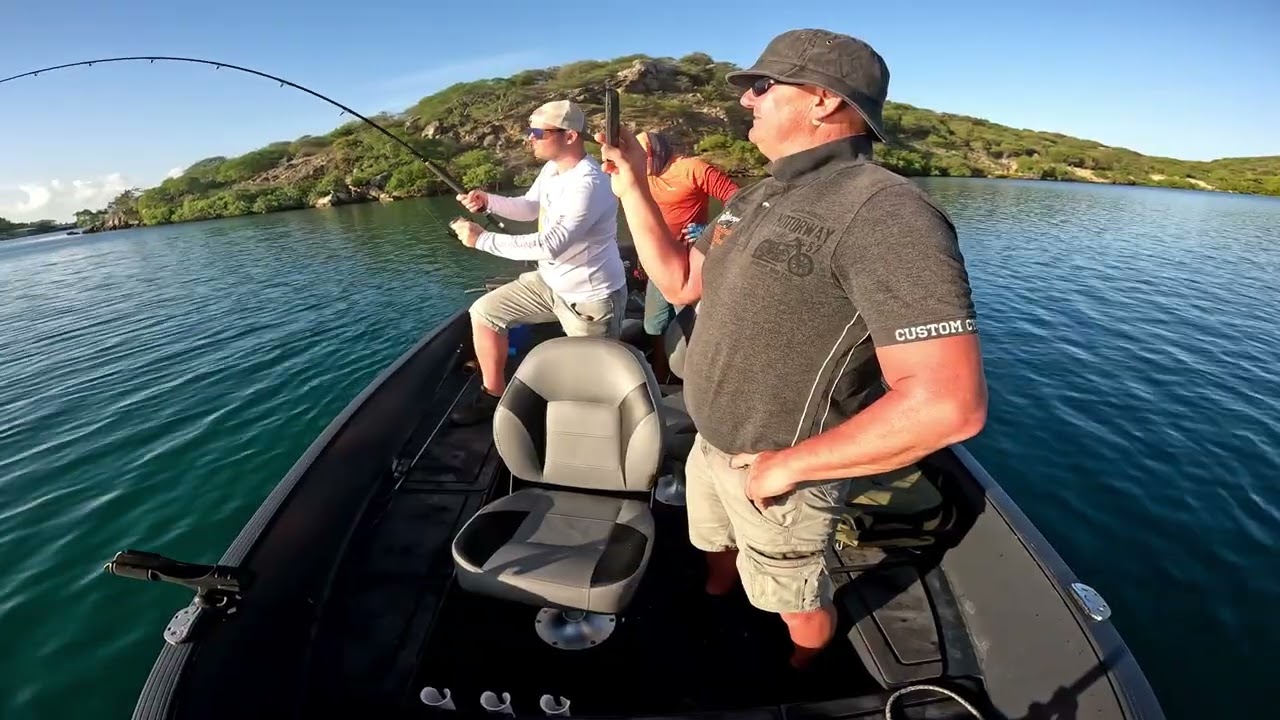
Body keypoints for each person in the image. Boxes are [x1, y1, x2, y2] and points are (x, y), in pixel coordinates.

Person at [596, 29, 987, 669]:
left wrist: (788, 467)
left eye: (761, 86)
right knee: (712, 544)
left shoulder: (888, 212)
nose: (747, 101)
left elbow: (950, 404)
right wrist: (634, 186)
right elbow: (680, 282)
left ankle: (802, 670)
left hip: (778, 469)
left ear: (824, 101)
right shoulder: (758, 195)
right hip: (710, 440)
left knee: (794, 599)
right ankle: (715, 602)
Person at [448, 99, 627, 425]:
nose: (529, 138)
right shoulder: (552, 170)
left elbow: (550, 244)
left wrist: (481, 240)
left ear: (570, 136)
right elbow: (530, 207)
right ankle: (493, 394)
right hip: (550, 282)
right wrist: (489, 201)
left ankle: (592, 436)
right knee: (484, 313)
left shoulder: (590, 183)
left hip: (589, 298)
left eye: (536, 132)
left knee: (592, 385)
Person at [632, 131, 739, 377]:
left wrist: (713, 233)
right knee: (653, 325)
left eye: (641, 154)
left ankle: (693, 381)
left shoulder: (692, 168)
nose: (637, 160)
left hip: (691, 260)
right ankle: (659, 381)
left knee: (691, 324)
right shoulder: (640, 176)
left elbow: (738, 199)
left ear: (655, 152)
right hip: (657, 261)